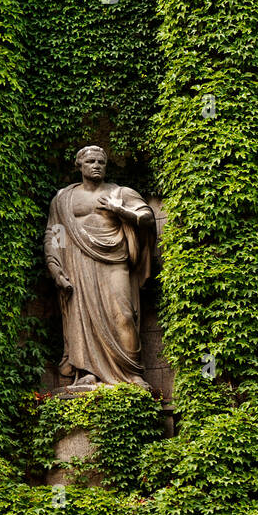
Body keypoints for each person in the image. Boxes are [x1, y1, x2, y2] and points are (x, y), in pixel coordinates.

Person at [45, 145, 154, 388]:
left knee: (124, 315)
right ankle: (88, 371)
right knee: (82, 318)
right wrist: (56, 269)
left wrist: (120, 211)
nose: (96, 166)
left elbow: (147, 217)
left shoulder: (119, 193)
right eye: (91, 161)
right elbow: (56, 233)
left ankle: (132, 372)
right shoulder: (63, 199)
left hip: (115, 260)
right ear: (79, 166)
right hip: (78, 265)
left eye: (101, 162)